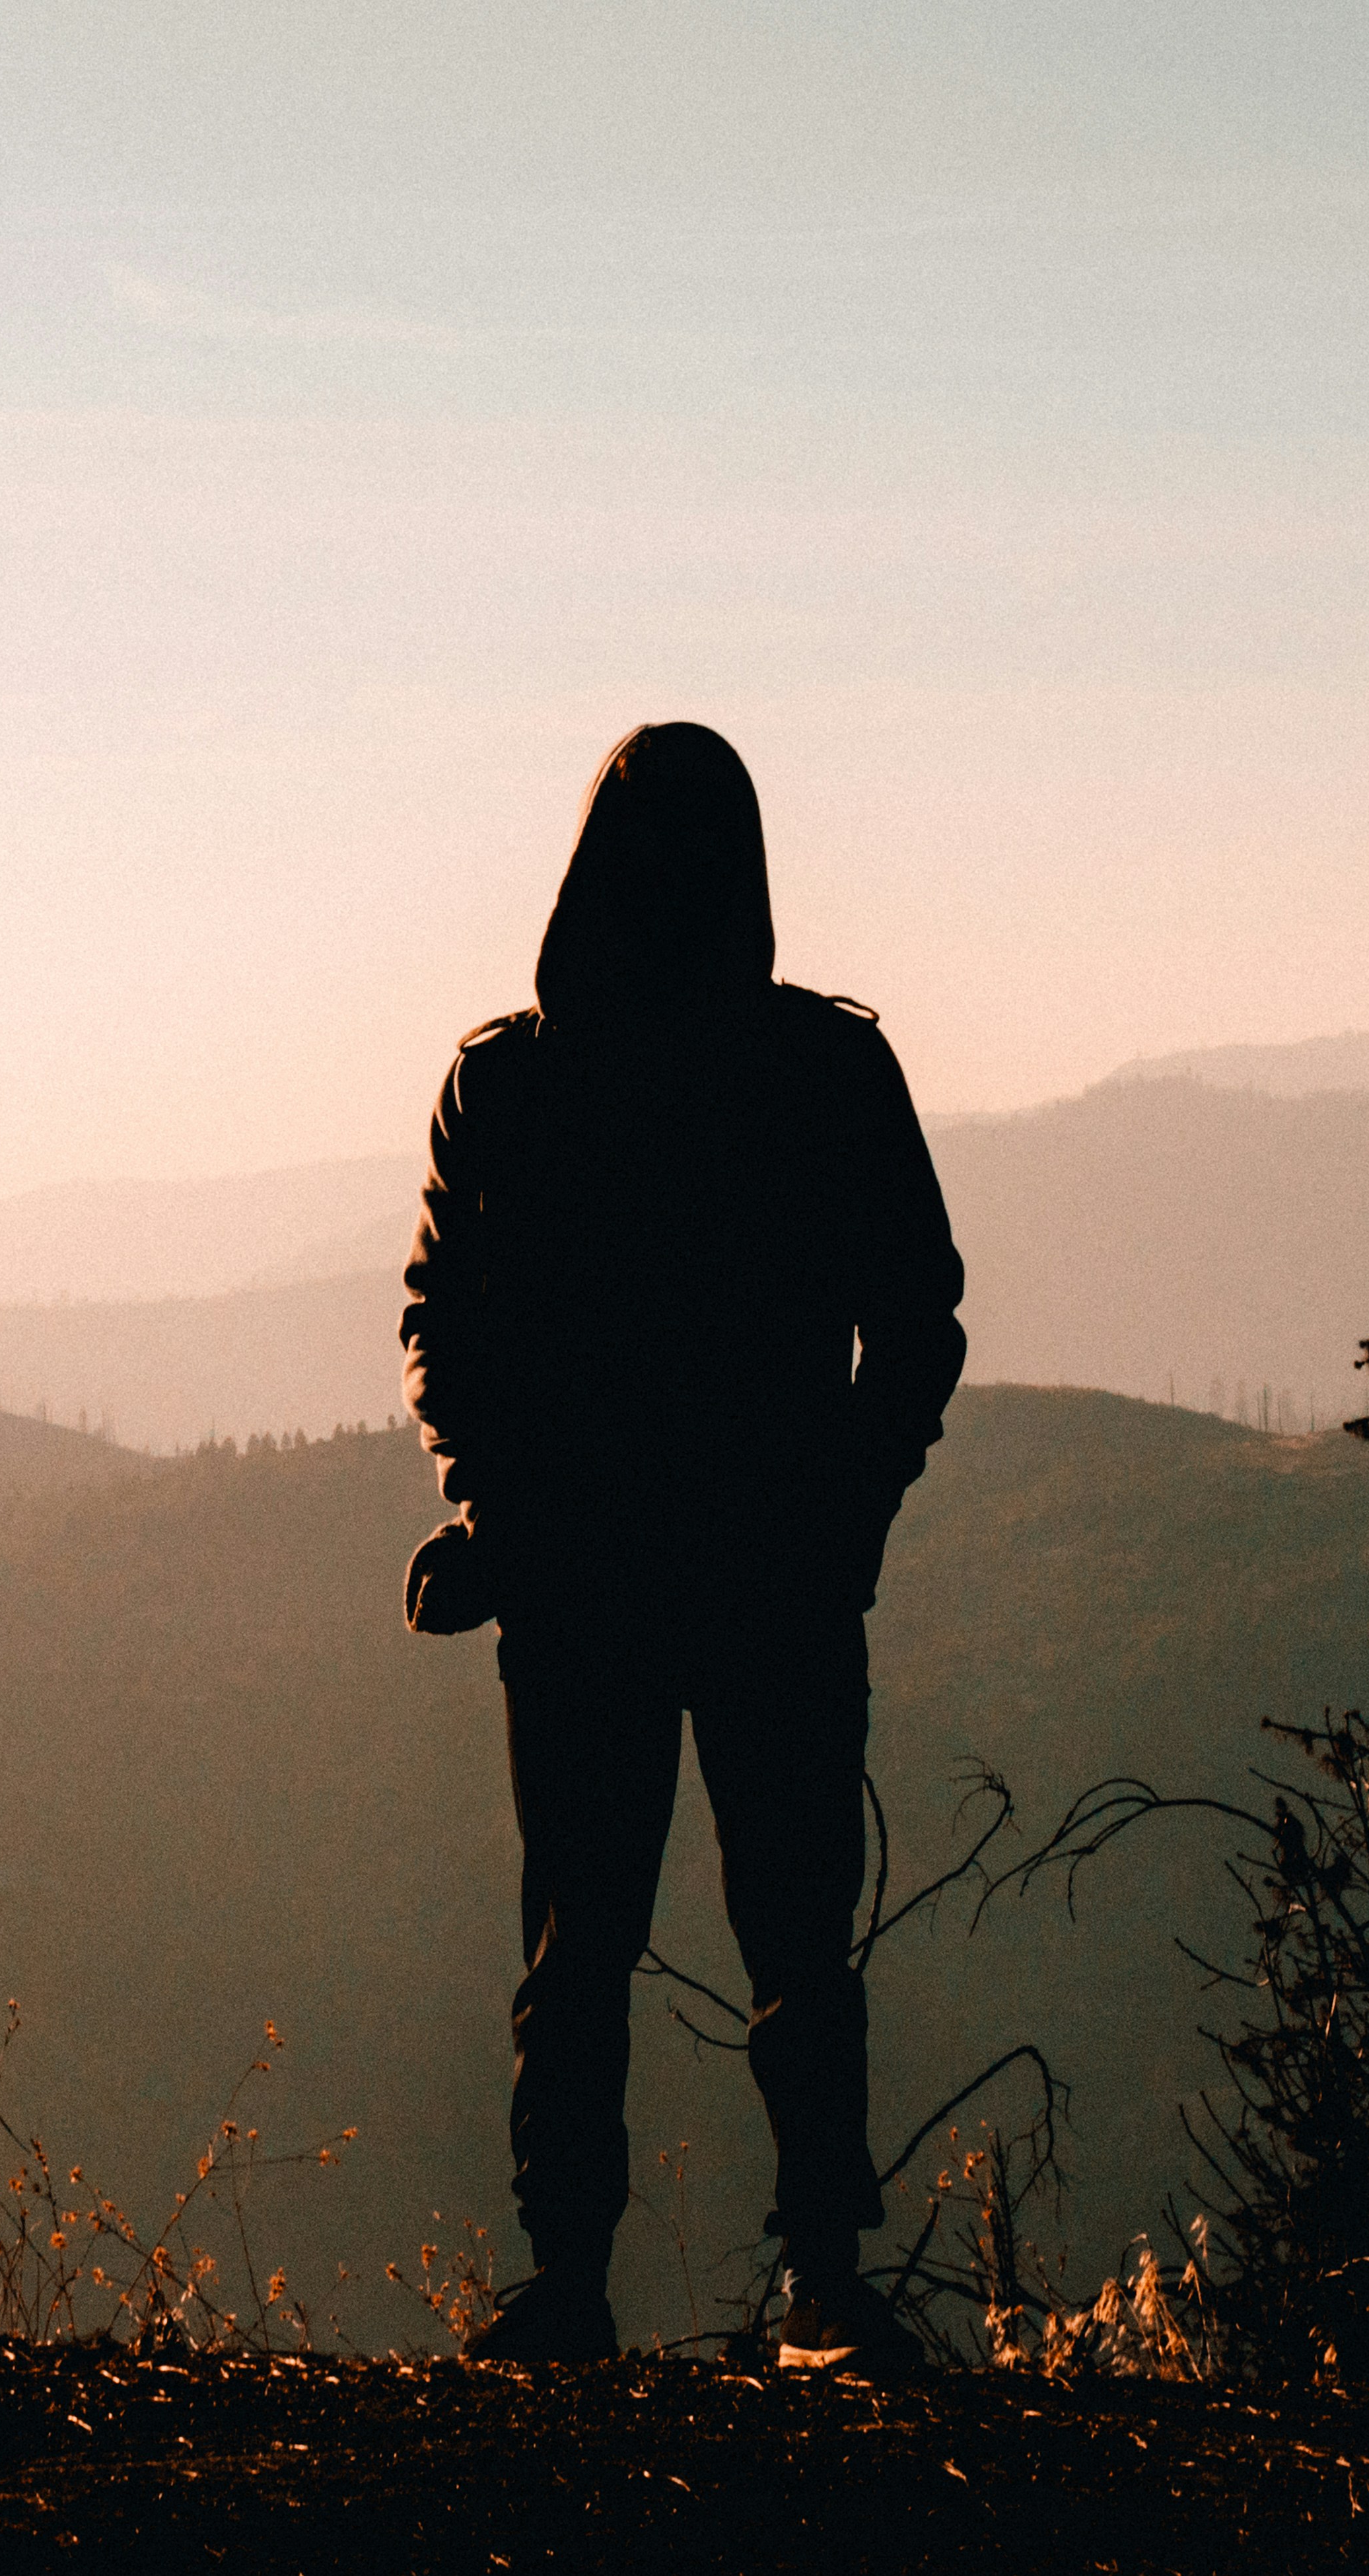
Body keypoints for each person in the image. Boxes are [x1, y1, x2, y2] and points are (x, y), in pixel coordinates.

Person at [398, 722, 967, 2379]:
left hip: (602, 1582)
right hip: (756, 1575)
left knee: (586, 1949)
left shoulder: (512, 1082)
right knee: (783, 1945)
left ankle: (574, 2286)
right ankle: (819, 2291)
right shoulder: (821, 1070)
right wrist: (849, 1511)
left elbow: (446, 1324)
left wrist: (495, 1503)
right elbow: (917, 1320)